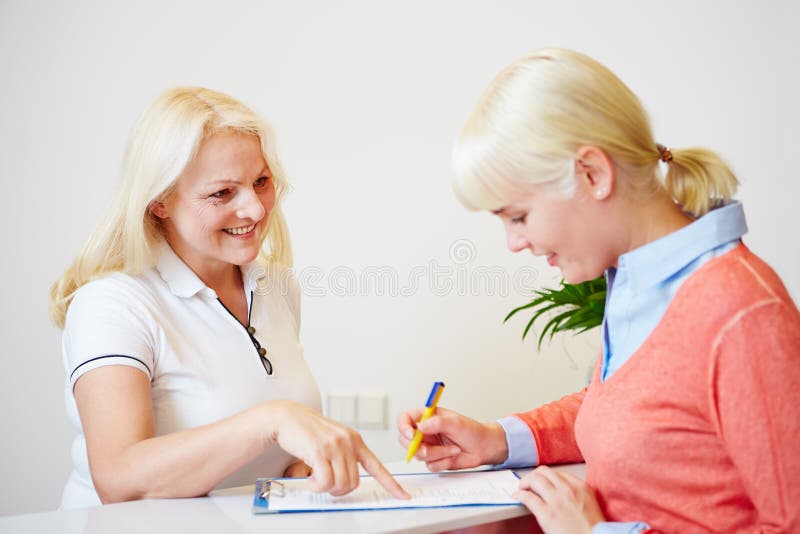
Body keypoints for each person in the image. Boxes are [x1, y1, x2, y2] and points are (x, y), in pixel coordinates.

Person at [398, 49, 800, 533]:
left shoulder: (741, 313)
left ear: (593, 174)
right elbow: (642, 417)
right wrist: (497, 439)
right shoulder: (638, 281)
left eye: (518, 216)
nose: (514, 243)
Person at [50, 87, 408, 508]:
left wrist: (298, 466)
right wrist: (272, 421)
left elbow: (246, 456)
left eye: (260, 181)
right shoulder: (112, 306)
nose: (256, 210)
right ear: (158, 202)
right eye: (222, 193)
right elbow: (119, 478)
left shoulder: (277, 286)